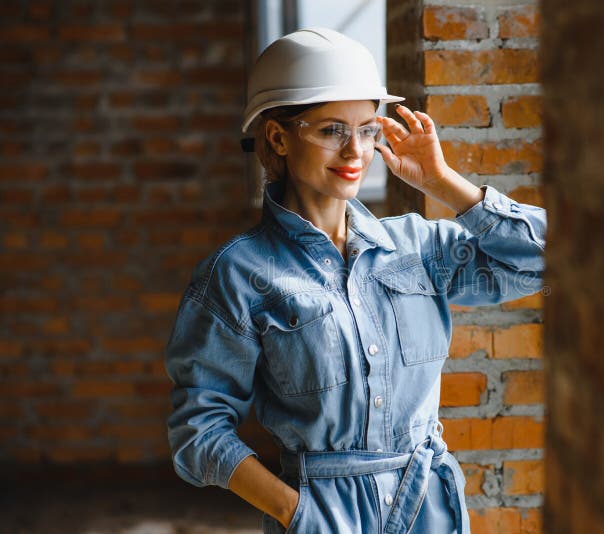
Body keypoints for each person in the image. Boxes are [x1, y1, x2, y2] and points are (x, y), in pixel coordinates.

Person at [164, 27, 546, 534]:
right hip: (324, 517)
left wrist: (442, 183)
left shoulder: (417, 248)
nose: (355, 152)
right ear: (278, 137)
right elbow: (199, 429)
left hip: (428, 510)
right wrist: (293, 512)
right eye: (331, 131)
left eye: (367, 129)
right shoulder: (238, 275)